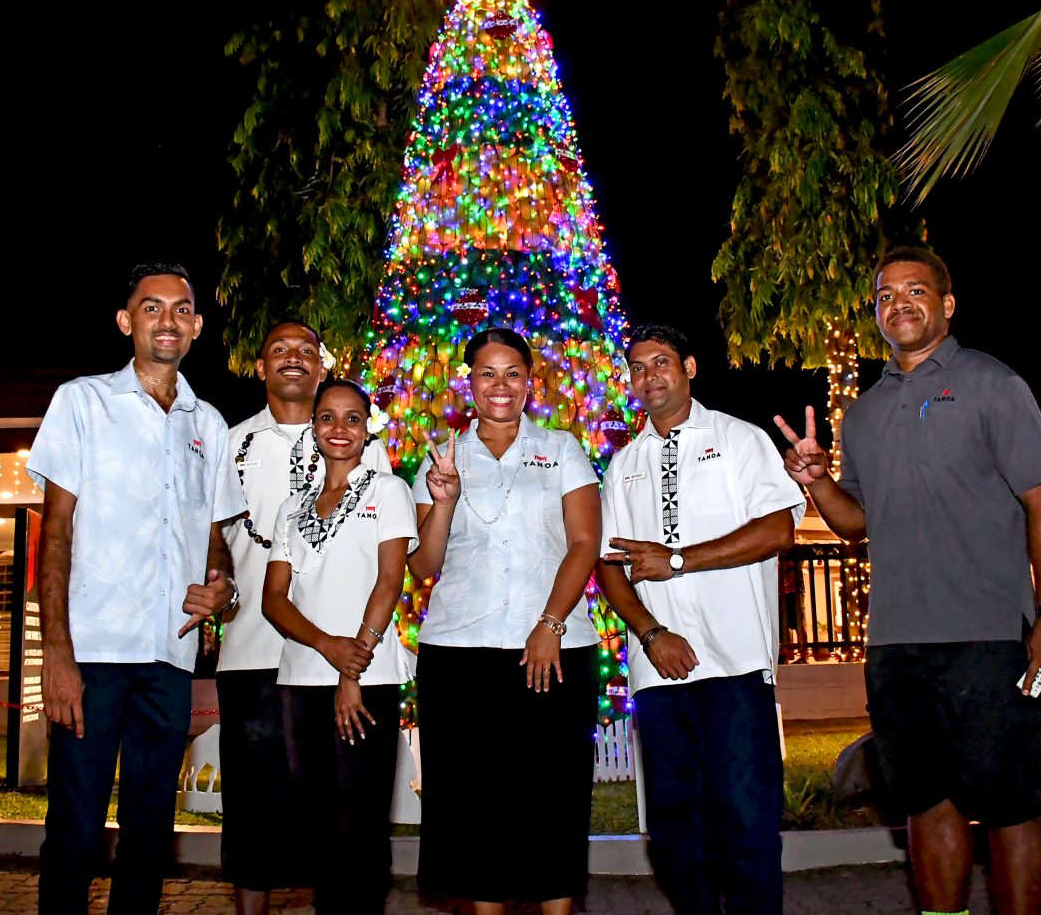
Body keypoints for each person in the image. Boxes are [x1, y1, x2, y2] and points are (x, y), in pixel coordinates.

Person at [774, 246, 1041, 915]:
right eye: (885, 295)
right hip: (896, 647)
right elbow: (855, 524)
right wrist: (818, 480)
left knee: (1009, 806)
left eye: (915, 291)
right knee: (924, 802)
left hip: (988, 638)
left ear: (946, 304)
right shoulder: (868, 412)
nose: (899, 303)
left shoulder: (992, 383)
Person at [26, 263, 245, 914]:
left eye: (181, 309)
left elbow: (215, 544)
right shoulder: (82, 401)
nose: (167, 319)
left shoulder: (210, 425)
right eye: (152, 308)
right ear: (127, 322)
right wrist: (56, 655)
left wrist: (223, 589)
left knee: (150, 832)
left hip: (169, 659)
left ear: (197, 326)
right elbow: (57, 532)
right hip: (93, 655)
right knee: (76, 829)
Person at [596, 323, 804, 915]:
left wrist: (679, 560)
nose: (648, 376)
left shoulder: (739, 440)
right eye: (637, 367)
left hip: (735, 664)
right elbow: (609, 565)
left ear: (689, 367)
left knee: (746, 818)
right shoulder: (624, 463)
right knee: (673, 828)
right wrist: (651, 633)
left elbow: (778, 529)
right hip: (660, 673)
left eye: (661, 362)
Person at [410, 327, 602, 915]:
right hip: (458, 652)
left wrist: (549, 623)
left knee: (553, 796)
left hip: (550, 649)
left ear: (530, 383)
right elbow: (424, 565)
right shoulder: (443, 456)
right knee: (472, 805)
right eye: (487, 373)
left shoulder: (562, 448)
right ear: (468, 382)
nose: (500, 385)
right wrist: (442, 502)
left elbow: (584, 542)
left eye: (512, 373)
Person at [214, 321, 391, 915]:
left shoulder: (361, 444)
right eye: (279, 351)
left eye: (306, 351)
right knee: (252, 803)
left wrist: (354, 654)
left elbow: (388, 556)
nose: (293, 359)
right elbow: (213, 533)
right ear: (260, 367)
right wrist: (217, 581)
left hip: (338, 663)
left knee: (338, 812)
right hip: (251, 647)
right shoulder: (231, 444)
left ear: (323, 366)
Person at [262, 379, 417, 913]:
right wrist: (326, 646)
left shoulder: (387, 490)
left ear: (367, 427)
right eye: (328, 418)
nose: (340, 429)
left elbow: (389, 581)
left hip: (368, 678)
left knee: (361, 824)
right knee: (317, 823)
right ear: (314, 427)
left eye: (353, 418)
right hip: (301, 679)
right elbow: (274, 600)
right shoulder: (291, 507)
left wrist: (349, 670)